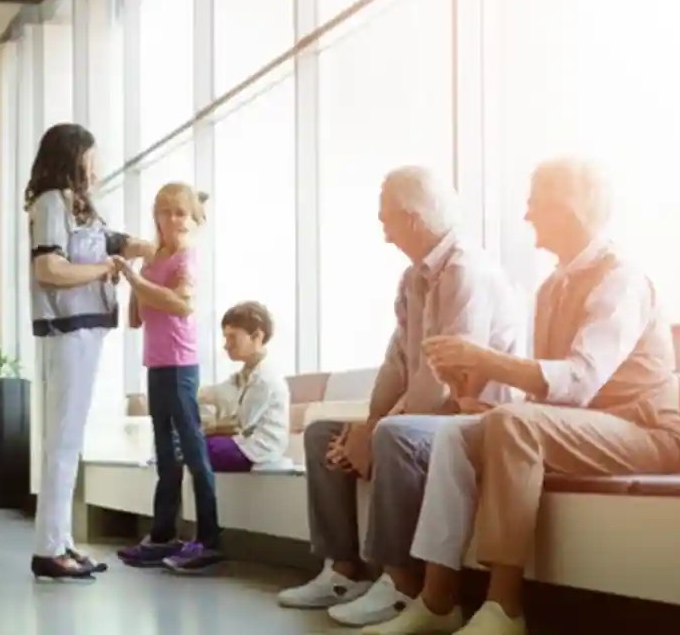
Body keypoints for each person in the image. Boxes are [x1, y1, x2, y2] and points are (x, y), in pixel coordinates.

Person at [368, 158, 680, 635]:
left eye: (535, 203)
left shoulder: (621, 279)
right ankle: (437, 601)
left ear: (570, 207)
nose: (527, 215)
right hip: (585, 426)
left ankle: (504, 607)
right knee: (456, 434)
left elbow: (579, 380)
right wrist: (491, 405)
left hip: (643, 431)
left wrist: (485, 362)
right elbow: (558, 399)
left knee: (512, 423)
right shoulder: (552, 287)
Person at [277, 166, 526, 627]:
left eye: (386, 220)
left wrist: (376, 430)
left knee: (394, 434)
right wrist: (368, 422)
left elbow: (446, 378)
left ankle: (402, 582)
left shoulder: (465, 271)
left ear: (413, 218)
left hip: (474, 416)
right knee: (321, 434)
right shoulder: (414, 279)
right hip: (433, 412)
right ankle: (343, 571)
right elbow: (396, 363)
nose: (385, 234)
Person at [26, 123, 155, 580]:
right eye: (91, 157)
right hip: (68, 333)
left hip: (86, 332)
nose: (96, 166)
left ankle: (61, 542)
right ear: (73, 157)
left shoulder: (78, 206)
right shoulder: (51, 202)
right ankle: (48, 549)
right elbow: (49, 267)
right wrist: (106, 268)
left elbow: (111, 241)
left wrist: (151, 246)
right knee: (62, 443)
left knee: (69, 441)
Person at [114, 182, 225, 574]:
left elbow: (181, 305)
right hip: (157, 365)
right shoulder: (156, 260)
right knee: (165, 455)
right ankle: (162, 536)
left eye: (181, 212)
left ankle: (209, 541)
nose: (173, 219)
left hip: (180, 367)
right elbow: (135, 319)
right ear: (156, 216)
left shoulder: (186, 259)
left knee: (193, 451)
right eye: (165, 211)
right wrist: (138, 278)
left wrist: (137, 280)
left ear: (193, 219)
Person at [197, 301, 290, 473]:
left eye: (232, 337)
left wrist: (205, 429)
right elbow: (213, 393)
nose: (226, 345)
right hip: (244, 444)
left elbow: (240, 425)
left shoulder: (265, 379)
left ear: (257, 336)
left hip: (256, 450)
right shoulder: (244, 375)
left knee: (195, 449)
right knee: (187, 445)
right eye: (226, 338)